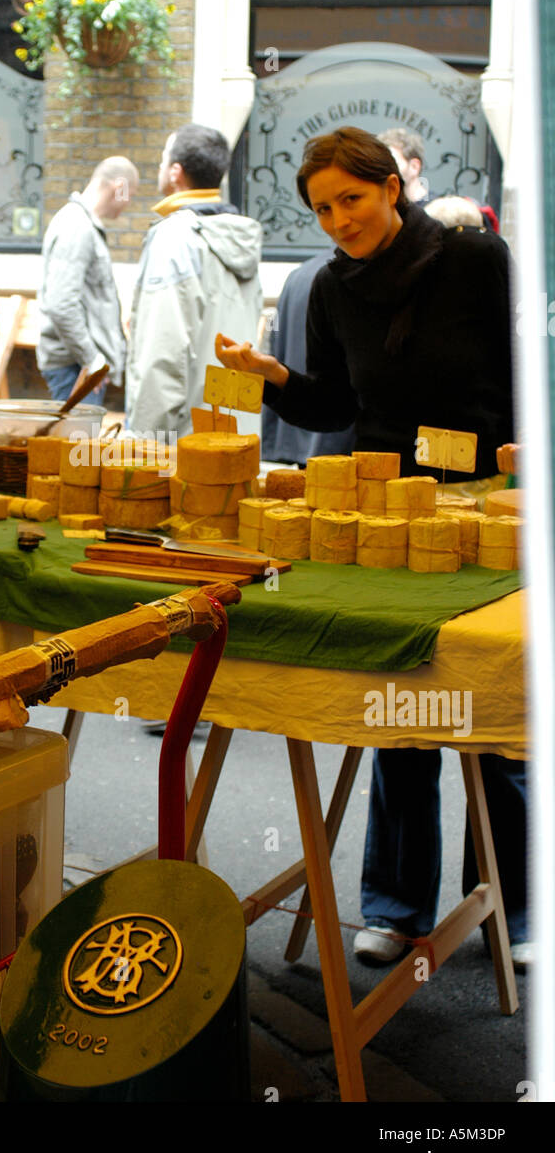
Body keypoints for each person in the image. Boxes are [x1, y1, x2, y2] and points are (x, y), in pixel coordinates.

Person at [215, 125, 528, 968]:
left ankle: (523, 908)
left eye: (350, 199)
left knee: (496, 715)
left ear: (393, 187)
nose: (338, 220)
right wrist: (269, 374)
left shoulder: (476, 260)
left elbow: (522, 367)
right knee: (409, 704)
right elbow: (328, 407)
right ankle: (395, 905)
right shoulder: (328, 286)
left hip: (487, 507)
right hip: (390, 512)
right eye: (321, 209)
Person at [126, 124, 262, 438]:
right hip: (236, 437)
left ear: (176, 172)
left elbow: (163, 353)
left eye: (162, 160)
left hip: (183, 452)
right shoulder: (242, 240)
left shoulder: (174, 238)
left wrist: (147, 446)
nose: (158, 168)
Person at [37, 157, 139, 406]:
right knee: (76, 445)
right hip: (76, 369)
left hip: (78, 366)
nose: (127, 204)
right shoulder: (77, 227)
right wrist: (92, 359)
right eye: (130, 195)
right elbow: (61, 304)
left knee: (79, 442)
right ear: (119, 187)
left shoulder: (80, 224)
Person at [261, 248, 355, 464]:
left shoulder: (296, 275)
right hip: (340, 433)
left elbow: (274, 334)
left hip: (295, 423)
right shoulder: (350, 275)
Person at [377, 126, 429, 205]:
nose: (384, 171)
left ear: (414, 167)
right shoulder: (383, 209)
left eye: (393, 164)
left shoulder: (437, 210)